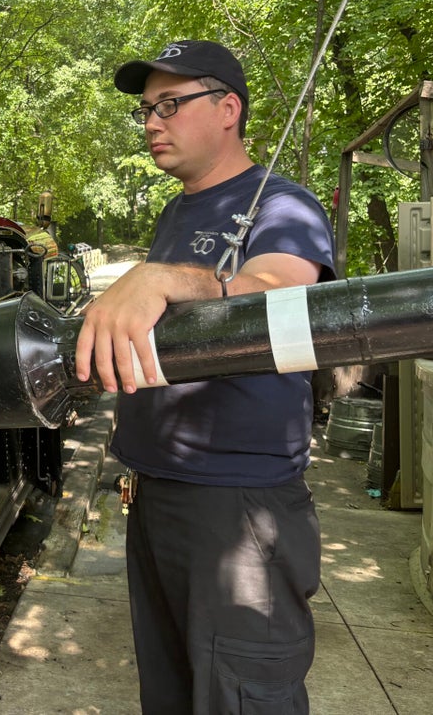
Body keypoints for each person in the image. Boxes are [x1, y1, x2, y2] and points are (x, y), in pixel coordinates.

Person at [74, 40, 335, 715]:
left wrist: (164, 277)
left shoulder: (285, 205)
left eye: (170, 104)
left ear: (227, 109)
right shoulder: (179, 210)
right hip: (157, 493)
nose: (152, 122)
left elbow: (278, 292)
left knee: (240, 696)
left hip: (236, 510)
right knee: (171, 692)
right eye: (145, 109)